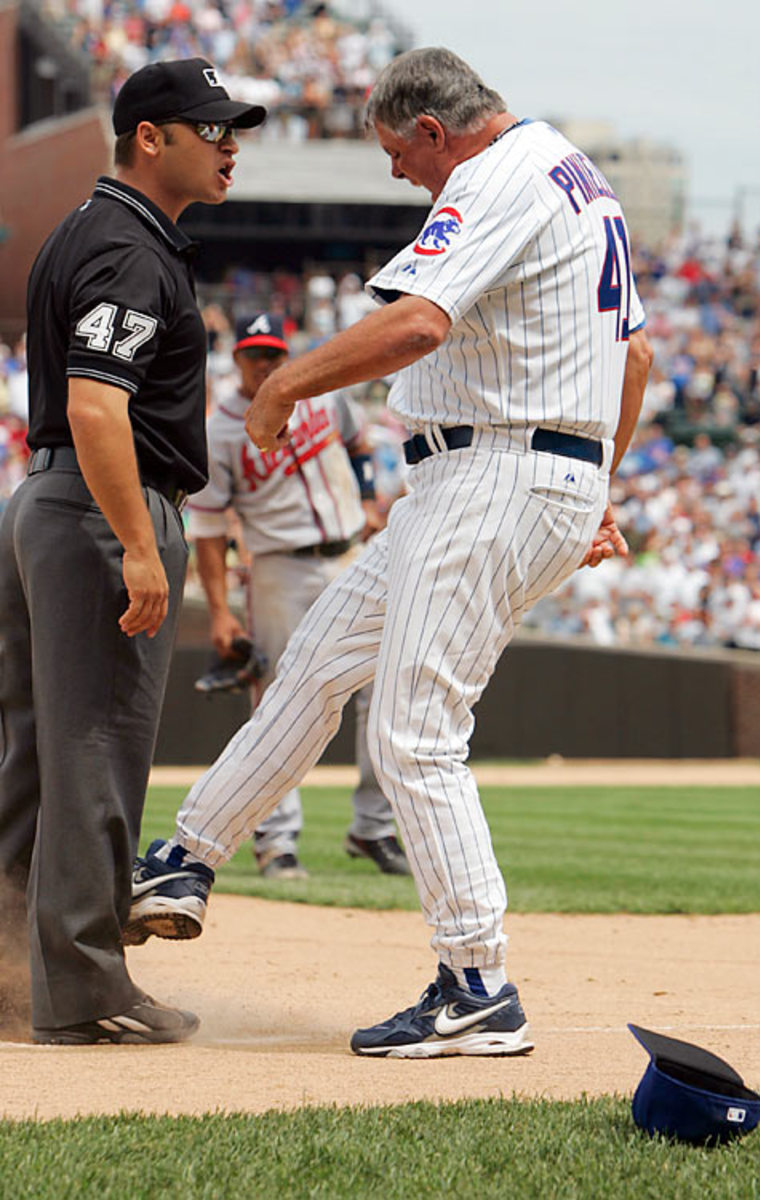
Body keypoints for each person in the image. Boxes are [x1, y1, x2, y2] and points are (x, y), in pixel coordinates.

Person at [127, 47, 652, 1057]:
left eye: (398, 154)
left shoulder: (494, 175)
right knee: (313, 671)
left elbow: (416, 323)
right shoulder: (575, 177)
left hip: (492, 474)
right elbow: (635, 354)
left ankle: (477, 984)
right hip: (501, 475)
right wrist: (597, 482)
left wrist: (284, 386)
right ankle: (185, 858)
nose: (398, 173)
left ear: (433, 129)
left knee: (415, 735)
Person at [0, 57, 266, 1045]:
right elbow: (95, 405)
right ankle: (85, 994)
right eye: (213, 129)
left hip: (51, 500)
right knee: (93, 752)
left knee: (37, 757)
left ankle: (12, 979)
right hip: (99, 508)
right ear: (150, 137)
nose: (230, 146)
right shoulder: (127, 244)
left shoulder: (88, 227)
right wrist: (138, 546)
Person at [186, 312, 410, 879]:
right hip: (279, 568)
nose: (266, 364)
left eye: (274, 354)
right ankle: (276, 838)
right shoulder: (221, 431)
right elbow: (208, 530)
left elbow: (359, 445)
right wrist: (219, 612)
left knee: (383, 689)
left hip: (352, 556)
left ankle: (374, 828)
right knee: (279, 699)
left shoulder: (323, 396)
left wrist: (366, 499)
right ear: (237, 359)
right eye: (255, 355)